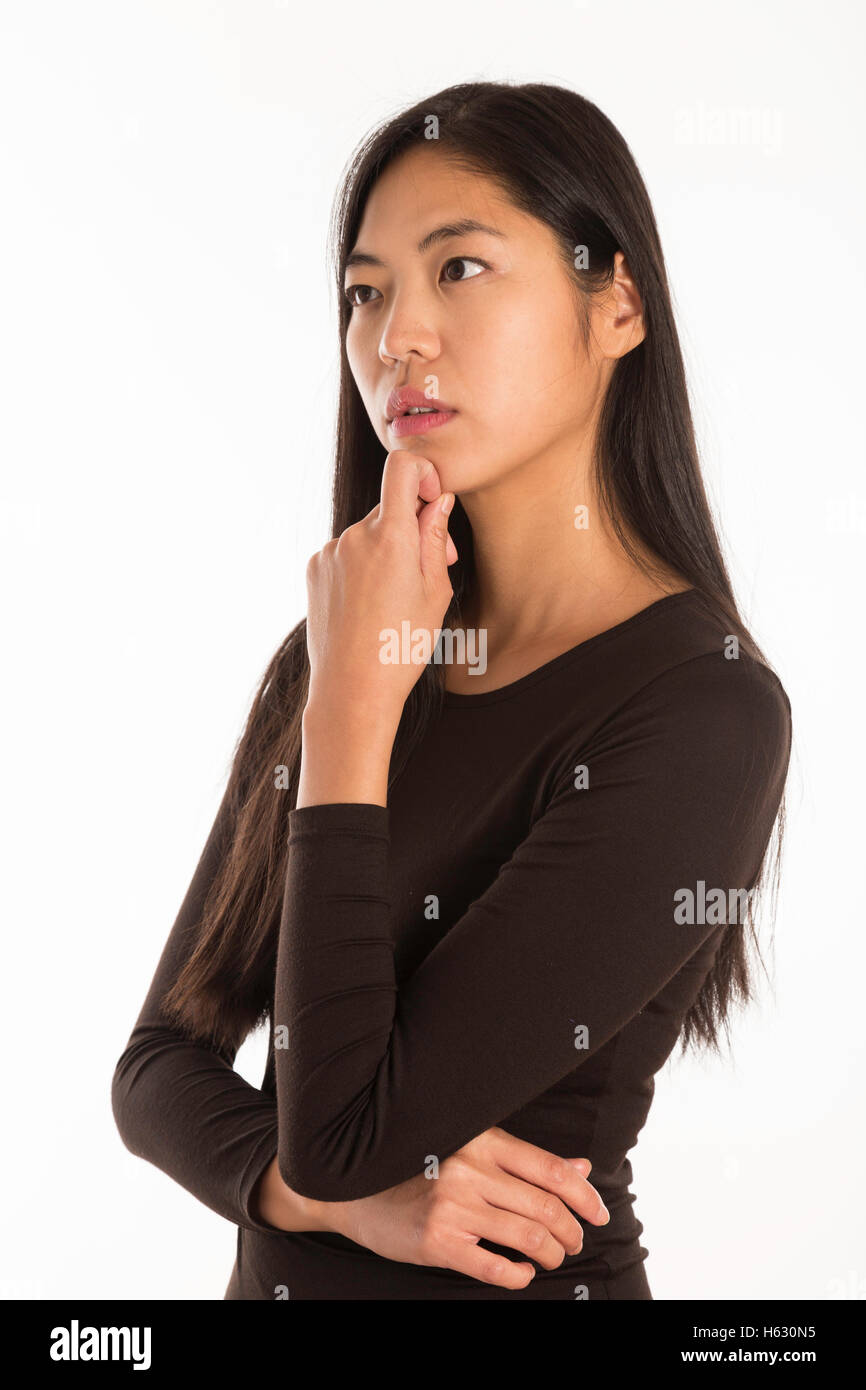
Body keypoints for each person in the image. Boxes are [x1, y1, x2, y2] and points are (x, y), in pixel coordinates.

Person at [111, 81, 792, 1300]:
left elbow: (339, 1133)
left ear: (617, 305)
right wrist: (306, 1197)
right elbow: (160, 1062)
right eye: (365, 292)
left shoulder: (703, 711)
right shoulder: (337, 650)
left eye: (460, 268)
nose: (396, 335)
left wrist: (355, 716)